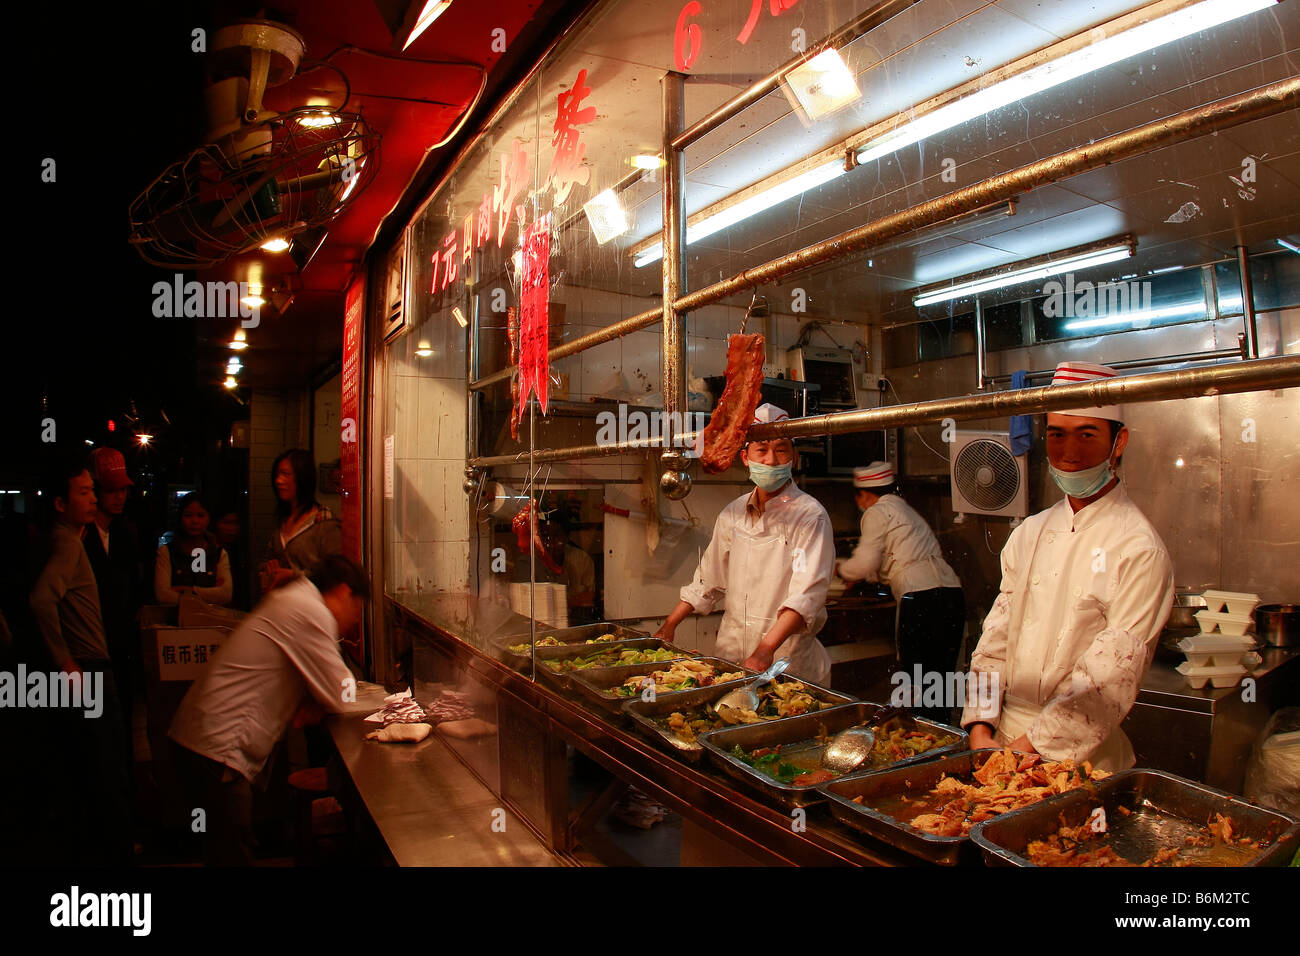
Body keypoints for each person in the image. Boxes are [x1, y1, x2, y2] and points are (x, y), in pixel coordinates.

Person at [960, 362, 1174, 772]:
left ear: (1119, 441)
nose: (1068, 453)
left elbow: (1108, 679)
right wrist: (981, 727)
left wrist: (1028, 749)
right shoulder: (1029, 532)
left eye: (1086, 434)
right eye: (1057, 434)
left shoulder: (1139, 549)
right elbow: (994, 643)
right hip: (1000, 745)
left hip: (1079, 759)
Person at [168, 554, 368, 865]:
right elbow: (342, 691)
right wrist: (324, 699)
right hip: (214, 750)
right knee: (230, 854)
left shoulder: (295, 598)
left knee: (228, 846)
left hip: (203, 743)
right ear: (343, 592)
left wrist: (315, 702)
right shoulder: (310, 611)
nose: (355, 620)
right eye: (358, 609)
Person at [655, 404, 834, 686]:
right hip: (732, 657)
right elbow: (707, 579)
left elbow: (806, 596)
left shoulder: (810, 516)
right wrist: (669, 625)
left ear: (794, 458)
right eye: (761, 450)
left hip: (787, 664)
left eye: (782, 449)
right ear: (745, 457)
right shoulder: (732, 513)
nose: (772, 460)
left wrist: (765, 650)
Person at [29, 452, 132, 864]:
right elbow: (40, 602)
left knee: (89, 766)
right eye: (85, 492)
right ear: (60, 503)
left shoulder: (69, 538)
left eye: (95, 491)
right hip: (89, 669)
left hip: (87, 668)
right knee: (108, 770)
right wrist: (66, 663)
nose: (93, 500)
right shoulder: (68, 542)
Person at [837, 461, 964, 722]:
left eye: (859, 498)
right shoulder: (904, 510)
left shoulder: (876, 512)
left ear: (866, 494)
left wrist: (841, 570)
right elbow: (895, 557)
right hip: (951, 593)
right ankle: (941, 738)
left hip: (920, 597)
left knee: (916, 682)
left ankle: (921, 742)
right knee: (939, 681)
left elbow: (864, 564)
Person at [84, 447, 144, 766]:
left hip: (119, 646)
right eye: (111, 490)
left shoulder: (122, 534)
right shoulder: (79, 537)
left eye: (123, 489)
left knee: (119, 727)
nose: (119, 497)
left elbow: (133, 587)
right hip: (90, 648)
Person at [259, 449, 341, 592]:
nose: (278, 480)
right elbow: (268, 558)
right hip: (284, 605)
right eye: (277, 475)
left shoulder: (323, 520)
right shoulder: (284, 519)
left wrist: (293, 575)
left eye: (285, 474)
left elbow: (335, 574)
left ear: (302, 477)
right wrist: (268, 570)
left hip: (311, 607)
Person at [155, 492, 233, 606]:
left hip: (210, 620)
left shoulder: (218, 553)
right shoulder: (167, 552)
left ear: (208, 518)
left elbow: (225, 594)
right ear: (180, 517)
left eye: (200, 515)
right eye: (188, 515)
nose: (194, 521)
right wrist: (210, 594)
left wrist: (188, 590)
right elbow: (163, 595)